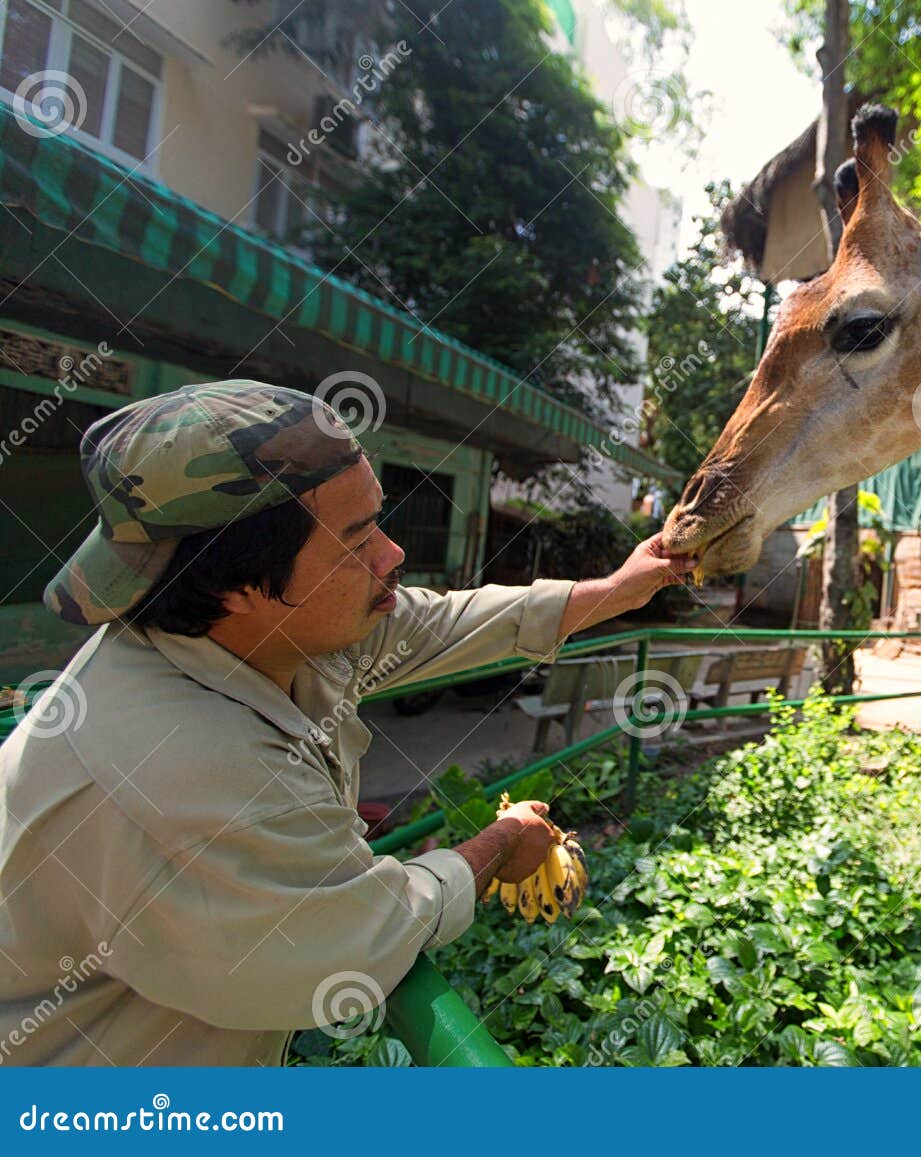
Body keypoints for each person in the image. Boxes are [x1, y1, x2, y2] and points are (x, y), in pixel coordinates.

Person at [0, 380, 692, 1065]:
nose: (392, 555)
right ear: (237, 582)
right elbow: (362, 928)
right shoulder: (182, 771)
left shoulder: (249, 630)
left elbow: (437, 622)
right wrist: (499, 844)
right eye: (358, 539)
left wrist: (616, 590)